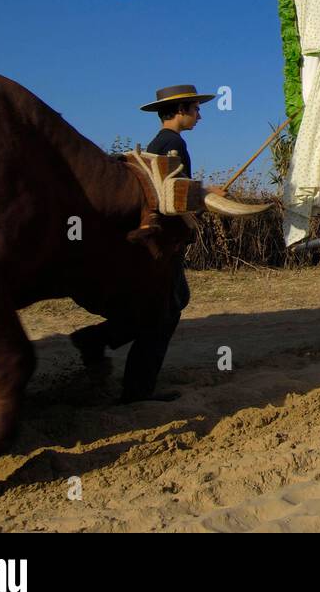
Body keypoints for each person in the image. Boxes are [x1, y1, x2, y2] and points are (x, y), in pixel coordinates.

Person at [71, 83, 219, 401]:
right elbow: (172, 197)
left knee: (171, 304)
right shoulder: (173, 145)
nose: (199, 115)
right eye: (196, 109)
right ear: (180, 111)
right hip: (163, 243)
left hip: (157, 241)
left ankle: (99, 340)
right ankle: (130, 380)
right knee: (165, 312)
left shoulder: (158, 143)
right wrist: (206, 196)